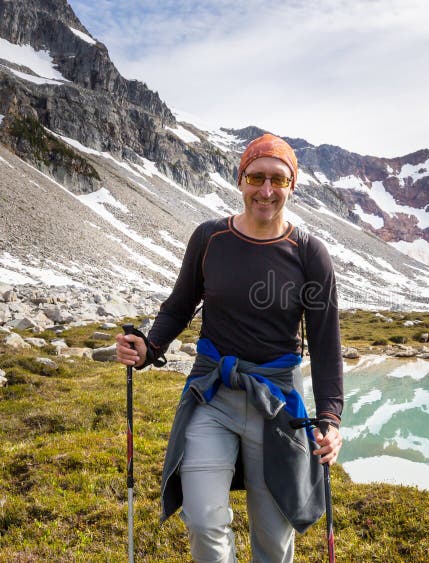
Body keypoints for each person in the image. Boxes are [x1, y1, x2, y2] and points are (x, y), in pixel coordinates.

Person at [115, 133, 344, 562]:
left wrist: (330, 418)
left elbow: (326, 346)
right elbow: (180, 305)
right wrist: (149, 346)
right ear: (240, 180)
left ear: (292, 186)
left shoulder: (311, 254)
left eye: (278, 179)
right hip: (212, 394)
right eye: (256, 177)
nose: (266, 190)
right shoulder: (209, 238)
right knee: (202, 521)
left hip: (276, 405)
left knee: (274, 544)